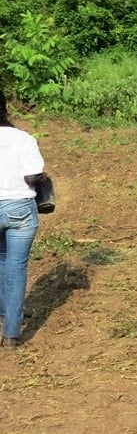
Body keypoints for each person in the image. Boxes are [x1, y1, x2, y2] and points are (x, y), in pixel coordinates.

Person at [0, 89, 49, 349]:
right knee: (16, 267)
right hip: (19, 208)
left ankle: (6, 308)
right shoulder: (23, 139)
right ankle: (10, 335)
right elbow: (33, 176)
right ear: (6, 106)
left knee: (1, 259)